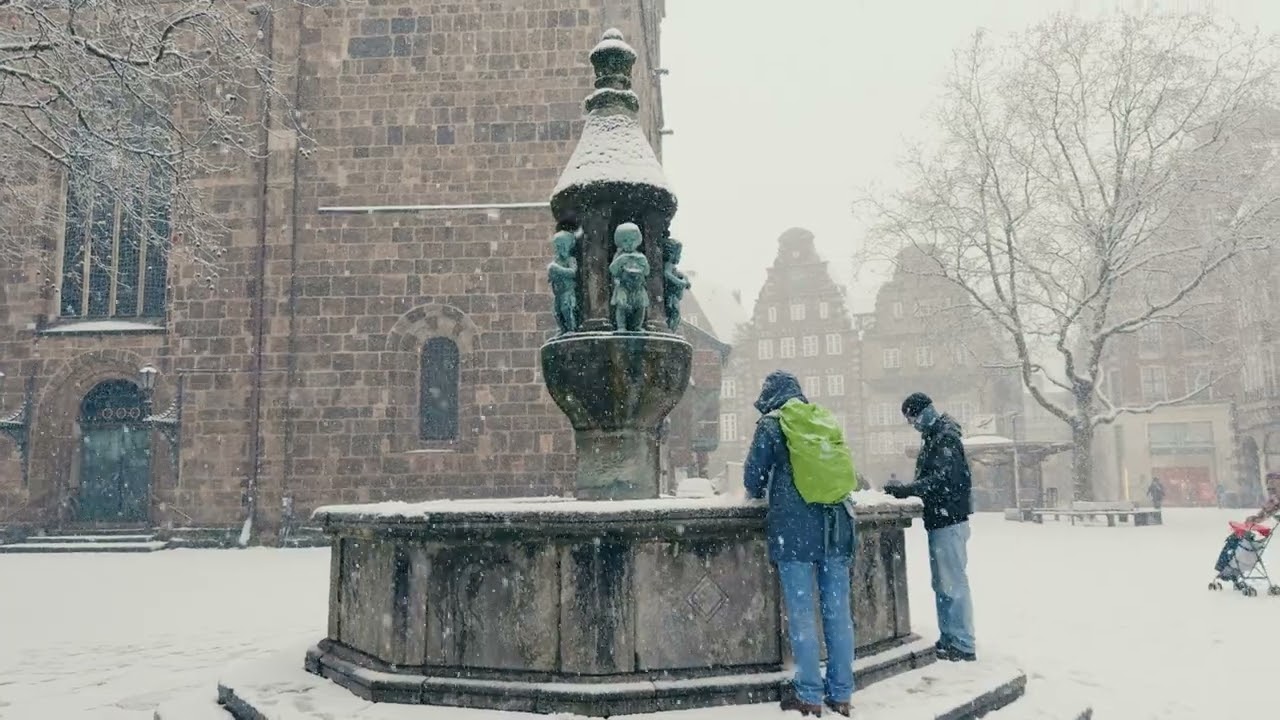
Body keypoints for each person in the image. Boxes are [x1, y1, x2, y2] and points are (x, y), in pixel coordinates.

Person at [745, 371, 855, 717]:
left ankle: (809, 694)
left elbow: (753, 479)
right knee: (838, 614)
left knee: (803, 614)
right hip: (834, 528)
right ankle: (841, 693)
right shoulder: (821, 419)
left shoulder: (771, 425)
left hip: (793, 532)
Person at [885, 392, 977, 662]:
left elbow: (942, 479)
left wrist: (908, 490)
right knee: (943, 583)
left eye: (912, 417)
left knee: (952, 583)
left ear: (923, 412)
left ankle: (962, 643)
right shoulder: (936, 437)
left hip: (949, 520)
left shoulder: (944, 437)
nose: (912, 423)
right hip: (941, 519)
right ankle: (950, 638)